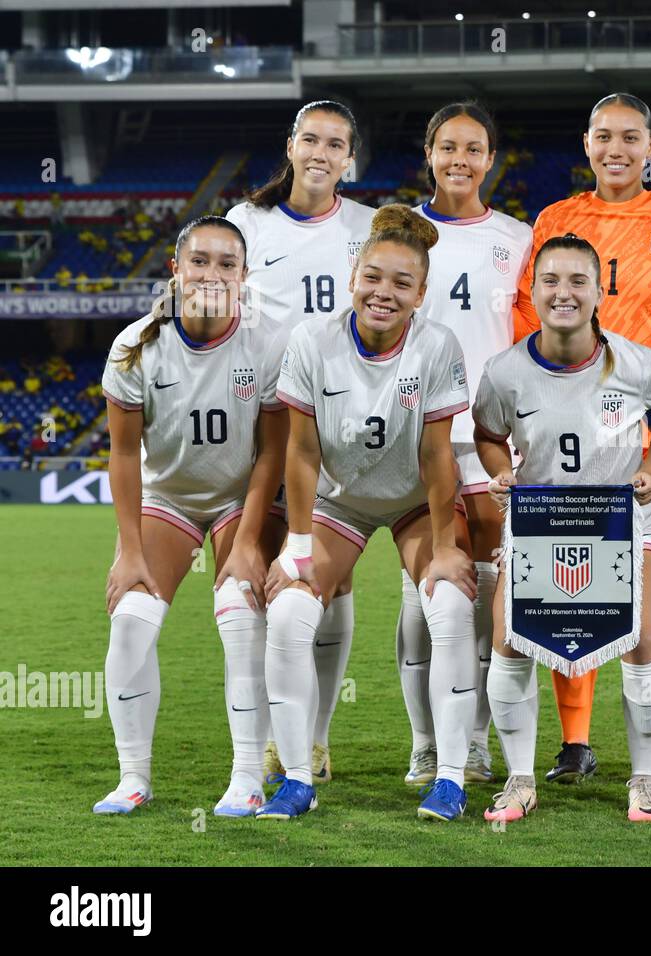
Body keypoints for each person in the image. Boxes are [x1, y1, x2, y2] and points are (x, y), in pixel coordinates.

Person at [514, 93, 651, 784]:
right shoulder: (557, 220)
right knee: (570, 579)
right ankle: (575, 742)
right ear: (586, 143)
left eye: (630, 137)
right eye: (604, 136)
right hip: (574, 422)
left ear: (650, 145)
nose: (616, 149)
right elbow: (529, 315)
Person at [257, 205, 478, 821]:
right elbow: (299, 452)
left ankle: (451, 778)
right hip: (338, 502)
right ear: (352, 274)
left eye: (402, 283)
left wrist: (444, 546)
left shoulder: (437, 345)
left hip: (412, 500)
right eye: (374, 276)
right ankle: (298, 778)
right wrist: (297, 544)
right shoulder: (311, 341)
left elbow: (438, 457)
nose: (385, 292)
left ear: (422, 293)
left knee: (452, 602)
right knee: (291, 610)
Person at [475, 234, 651, 823]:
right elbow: (488, 435)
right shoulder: (504, 373)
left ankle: (644, 782)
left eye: (576, 281)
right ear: (533, 290)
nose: (563, 292)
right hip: (541, 524)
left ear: (598, 291)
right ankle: (519, 780)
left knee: (644, 639)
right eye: (550, 281)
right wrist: (500, 474)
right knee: (509, 638)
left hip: (625, 519)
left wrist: (649, 471)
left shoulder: (639, 364)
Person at [96, 217, 286, 817]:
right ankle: (132, 777)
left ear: (244, 277)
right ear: (176, 270)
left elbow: (274, 453)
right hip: (171, 499)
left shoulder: (270, 343)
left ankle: (248, 777)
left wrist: (251, 540)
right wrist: (128, 550)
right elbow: (125, 454)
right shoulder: (134, 347)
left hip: (242, 498)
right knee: (130, 617)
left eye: (227, 264)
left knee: (239, 616)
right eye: (199, 261)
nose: (212, 274)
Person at [225, 99, 376, 785]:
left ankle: (312, 739)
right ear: (291, 146)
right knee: (256, 581)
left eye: (335, 143)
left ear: (351, 157)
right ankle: (259, 740)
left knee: (328, 582)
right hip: (261, 425)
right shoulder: (246, 224)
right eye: (310, 139)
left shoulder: (370, 227)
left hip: (340, 427)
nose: (322, 152)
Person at [400, 102, 534, 787]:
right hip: (414, 439)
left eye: (473, 148)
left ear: (490, 159)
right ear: (430, 152)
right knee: (424, 592)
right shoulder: (394, 232)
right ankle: (426, 743)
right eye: (447, 145)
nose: (460, 158)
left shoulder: (517, 237)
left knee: (485, 598)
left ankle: (474, 742)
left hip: (487, 441)